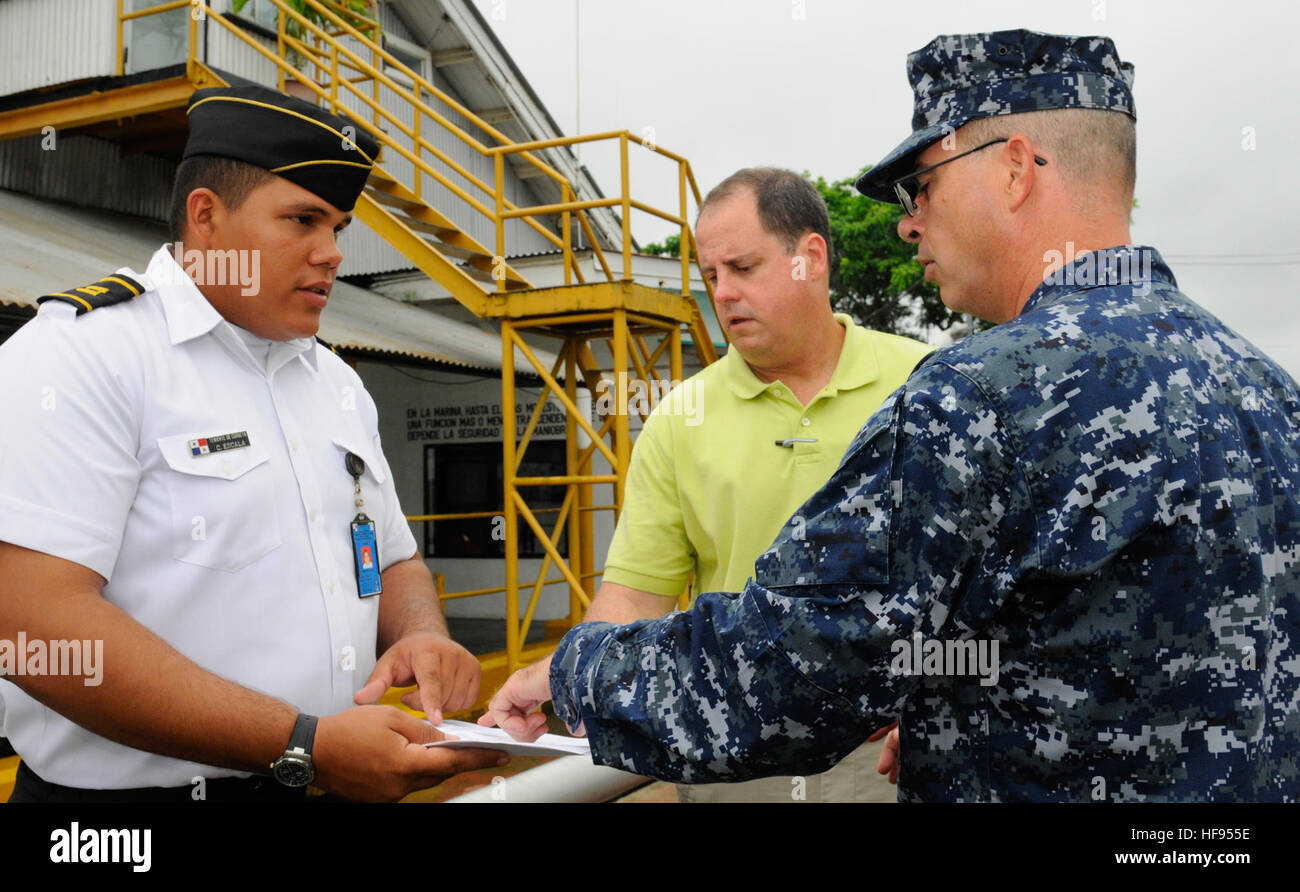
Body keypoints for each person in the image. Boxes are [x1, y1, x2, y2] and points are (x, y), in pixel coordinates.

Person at [484, 30, 1300, 801]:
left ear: (1015, 169)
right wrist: (970, 709)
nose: (910, 219)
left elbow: (781, 672)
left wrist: (573, 671)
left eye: (923, 184)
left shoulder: (977, 397)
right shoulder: (1271, 392)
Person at [0, 84, 501, 802]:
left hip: (324, 779)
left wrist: (419, 633)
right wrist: (301, 743)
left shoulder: (333, 382)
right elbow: (30, 625)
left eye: (339, 228)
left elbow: (394, 560)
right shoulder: (83, 357)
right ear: (206, 216)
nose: (331, 253)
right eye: (303, 220)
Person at [483, 168, 932, 802]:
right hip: (737, 765)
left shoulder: (924, 383)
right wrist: (559, 680)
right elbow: (635, 600)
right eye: (711, 275)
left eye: (743, 268)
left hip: (893, 758)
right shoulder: (677, 420)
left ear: (811, 257)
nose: (722, 295)